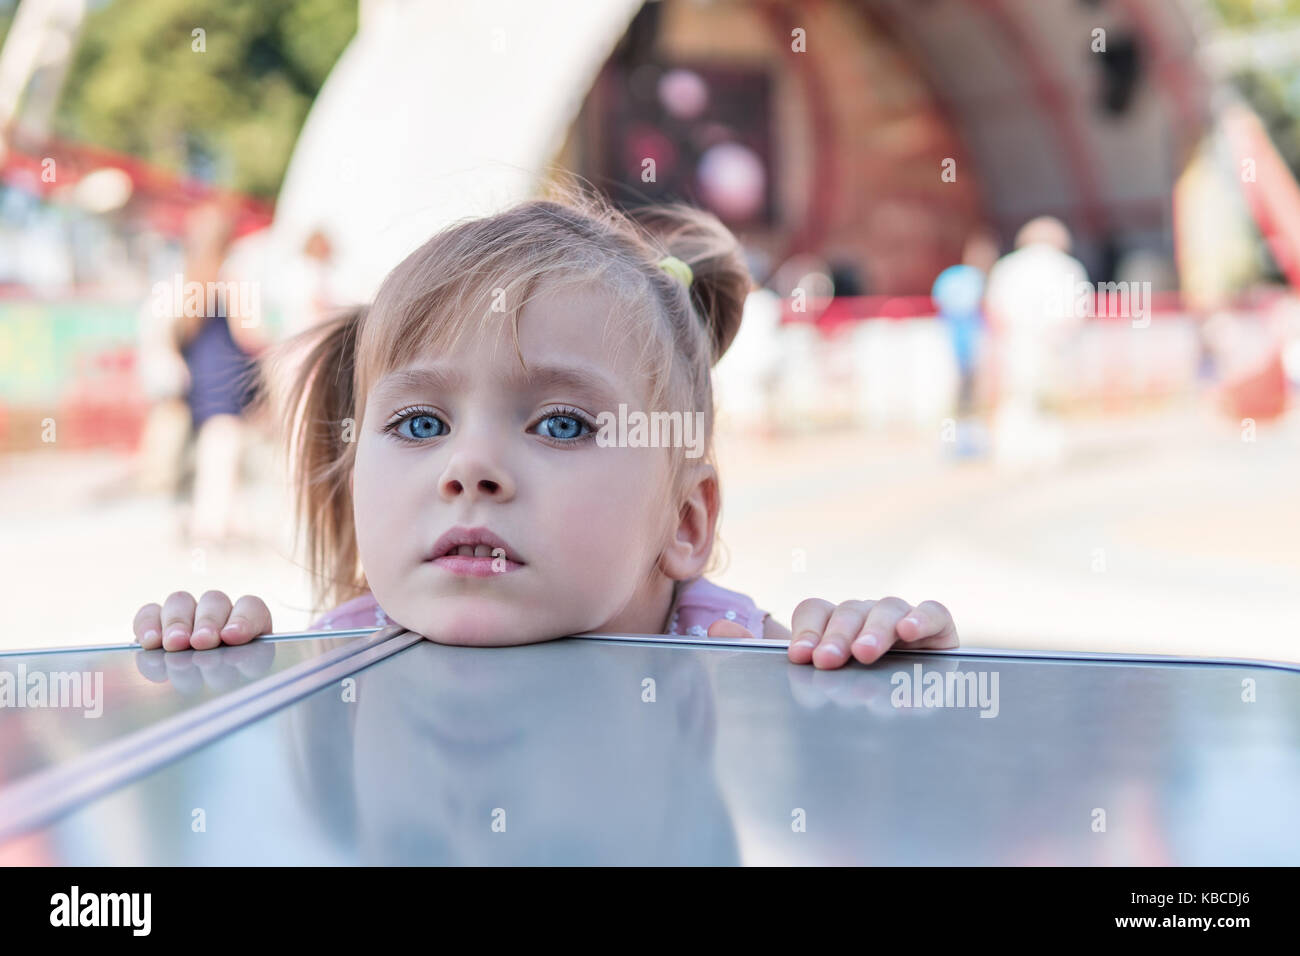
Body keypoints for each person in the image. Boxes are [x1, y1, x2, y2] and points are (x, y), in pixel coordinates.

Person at [131, 184, 959, 669]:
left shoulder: (736, 656)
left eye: (561, 425)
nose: (471, 468)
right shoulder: (336, 663)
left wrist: (883, 669)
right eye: (420, 423)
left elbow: (886, 791)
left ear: (684, 520)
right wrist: (217, 671)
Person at [173, 201, 265, 546]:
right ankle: (212, 524)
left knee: (214, 445)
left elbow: (180, 331)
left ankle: (222, 519)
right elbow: (247, 332)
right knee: (226, 446)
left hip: (202, 371)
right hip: (228, 371)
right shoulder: (230, 274)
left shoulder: (191, 276)